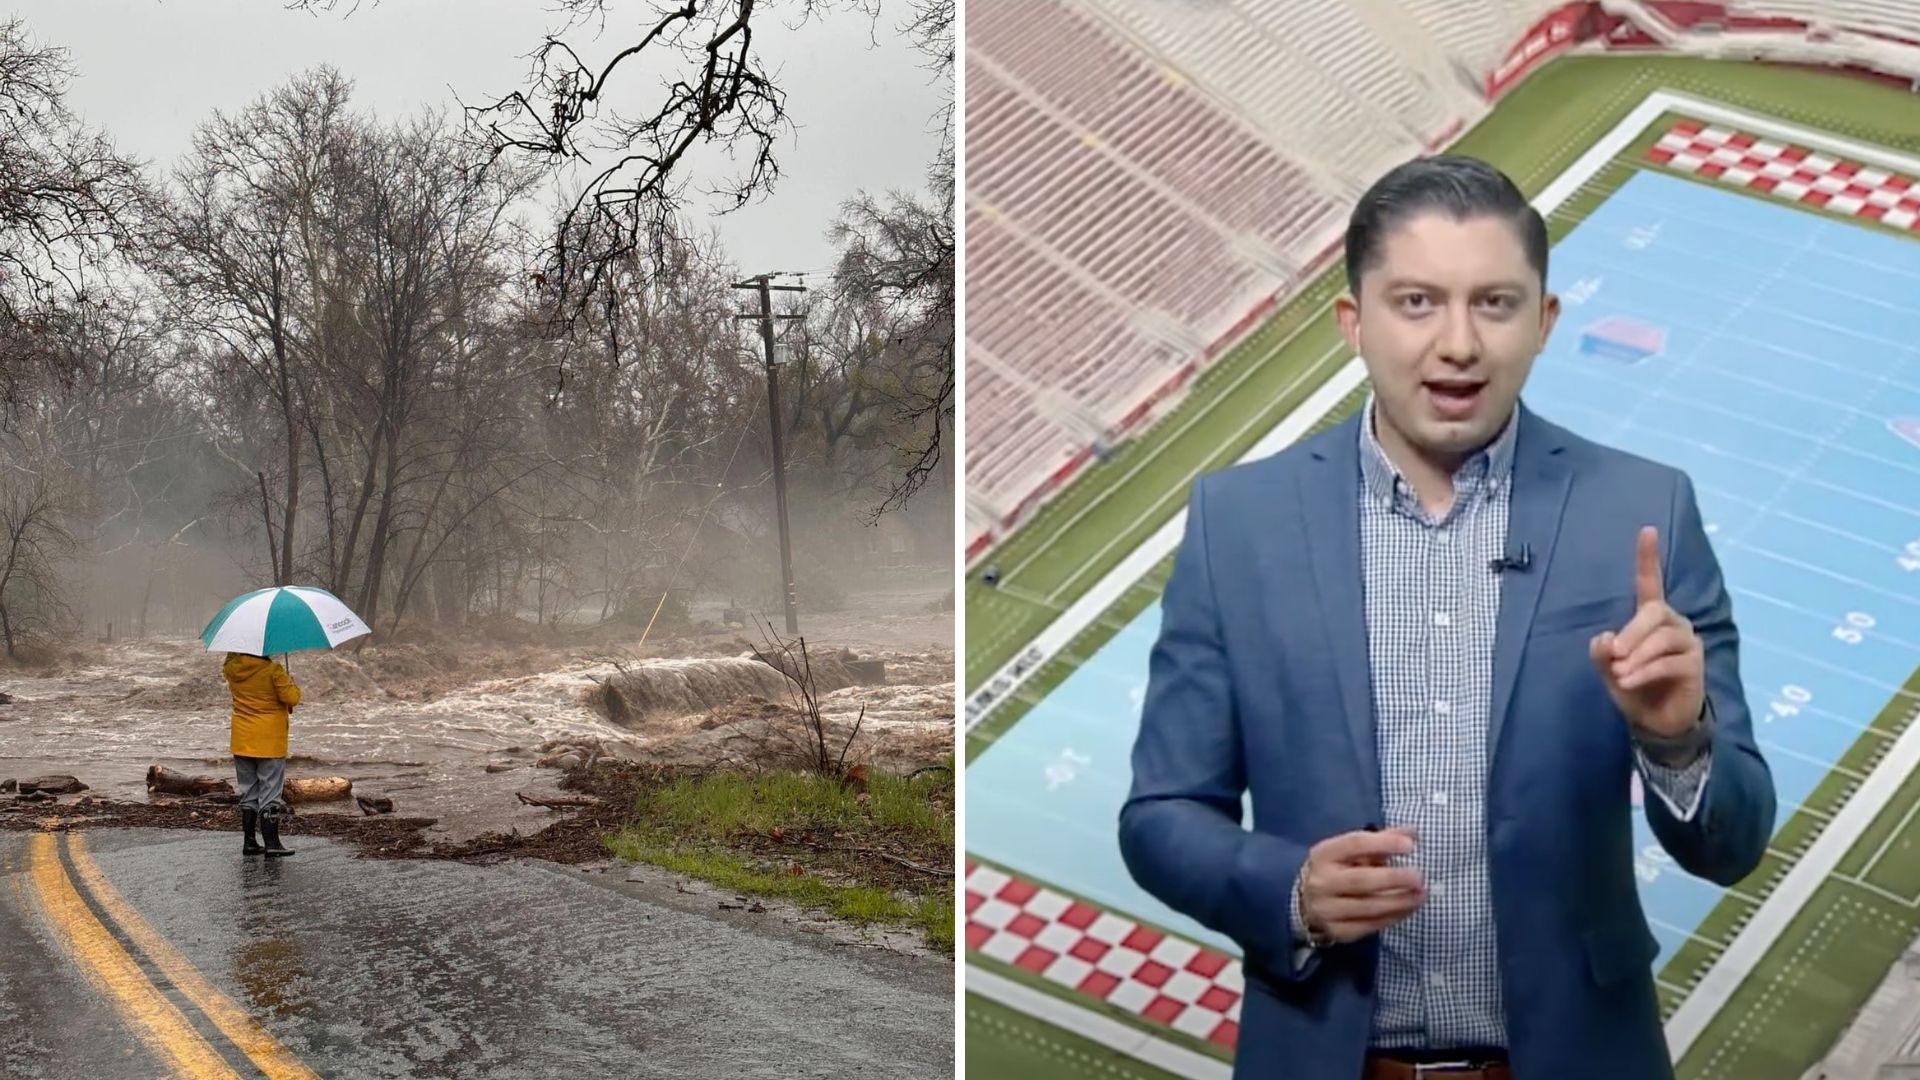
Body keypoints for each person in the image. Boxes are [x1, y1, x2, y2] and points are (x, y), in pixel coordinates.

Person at [1118, 156, 1775, 1080]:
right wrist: (1290, 890)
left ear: (1544, 322)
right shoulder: (1238, 524)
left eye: (1495, 304)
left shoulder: (1645, 514)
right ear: (1355, 322)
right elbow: (1161, 814)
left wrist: (1677, 743)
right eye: (1417, 302)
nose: (1458, 343)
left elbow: (1734, 845)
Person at [223, 651, 301, 858]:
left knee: (248, 791)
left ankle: (249, 843)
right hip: (269, 740)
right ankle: (272, 843)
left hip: (242, 740)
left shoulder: (232, 669)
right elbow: (292, 697)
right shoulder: (273, 671)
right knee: (270, 791)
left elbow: (229, 659)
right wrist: (290, 682)